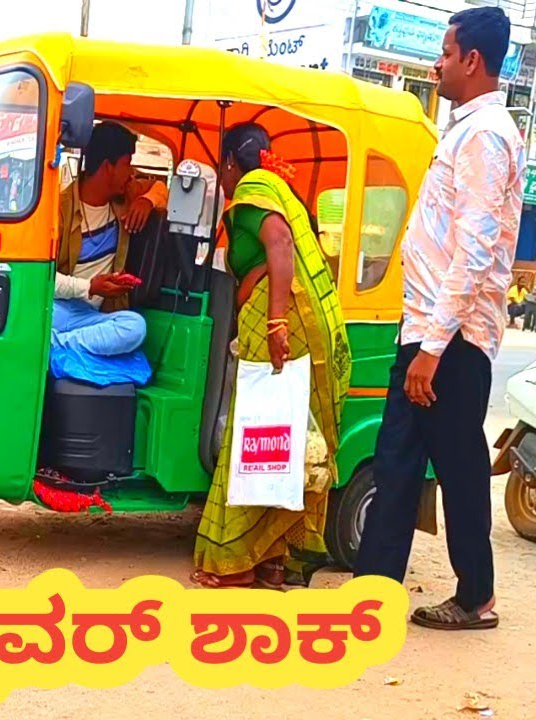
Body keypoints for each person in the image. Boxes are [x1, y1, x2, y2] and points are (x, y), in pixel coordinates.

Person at [353, 7, 523, 630]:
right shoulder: (466, 131)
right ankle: (372, 594)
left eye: (446, 53)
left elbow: (475, 250)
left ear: (472, 60)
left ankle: (476, 597)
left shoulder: (486, 136)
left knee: (459, 470)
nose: (437, 64)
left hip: (450, 341)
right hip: (427, 332)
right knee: (396, 461)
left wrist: (432, 349)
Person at [191, 122, 352, 590]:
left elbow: (280, 244)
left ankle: (236, 560)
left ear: (229, 163)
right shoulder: (282, 191)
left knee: (254, 433)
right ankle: (272, 561)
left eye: (222, 169)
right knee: (278, 439)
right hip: (302, 327)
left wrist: (275, 323)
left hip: (281, 327)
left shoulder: (253, 188)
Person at [52, 122, 166, 358]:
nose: (131, 172)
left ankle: (55, 343)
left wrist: (147, 201)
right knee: (32, 314)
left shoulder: (126, 194)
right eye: (127, 164)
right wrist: (89, 287)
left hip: (92, 317)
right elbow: (44, 279)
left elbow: (161, 188)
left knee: (135, 326)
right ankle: (59, 341)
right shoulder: (59, 210)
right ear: (107, 167)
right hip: (57, 308)